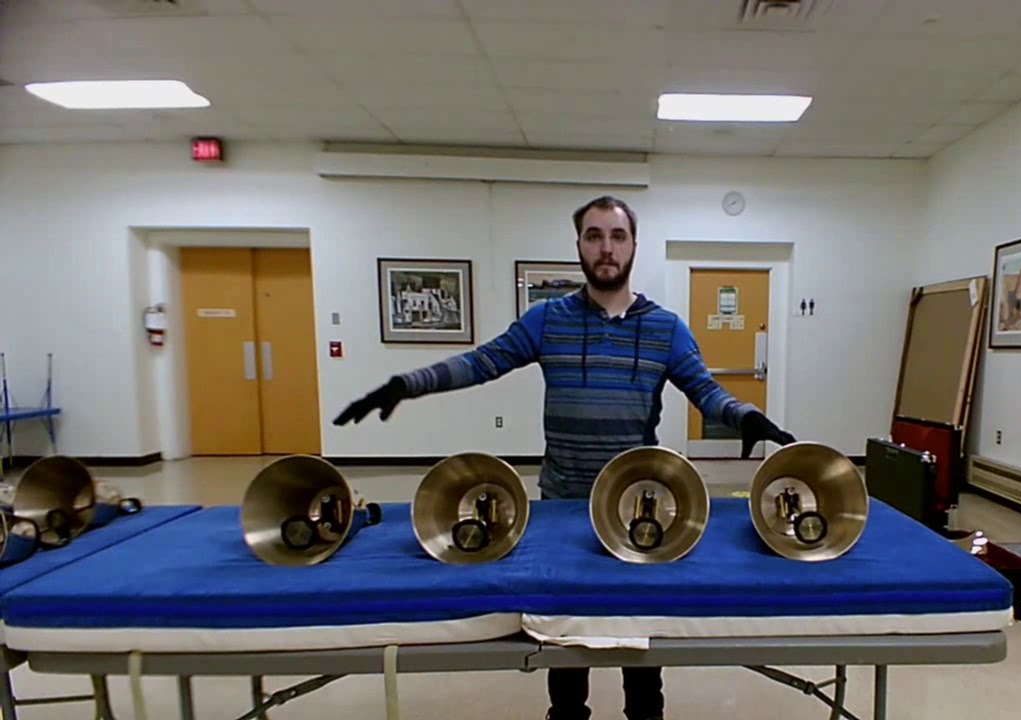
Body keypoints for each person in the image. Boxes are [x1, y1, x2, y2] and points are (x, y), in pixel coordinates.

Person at [333, 195, 797, 720]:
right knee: (566, 642)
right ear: (578, 245)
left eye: (617, 236)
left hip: (635, 508)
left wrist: (746, 417)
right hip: (562, 504)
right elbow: (481, 362)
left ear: (633, 246)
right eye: (594, 236)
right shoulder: (547, 320)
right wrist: (405, 384)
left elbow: (706, 391)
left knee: (638, 646)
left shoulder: (665, 328)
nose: (606, 248)